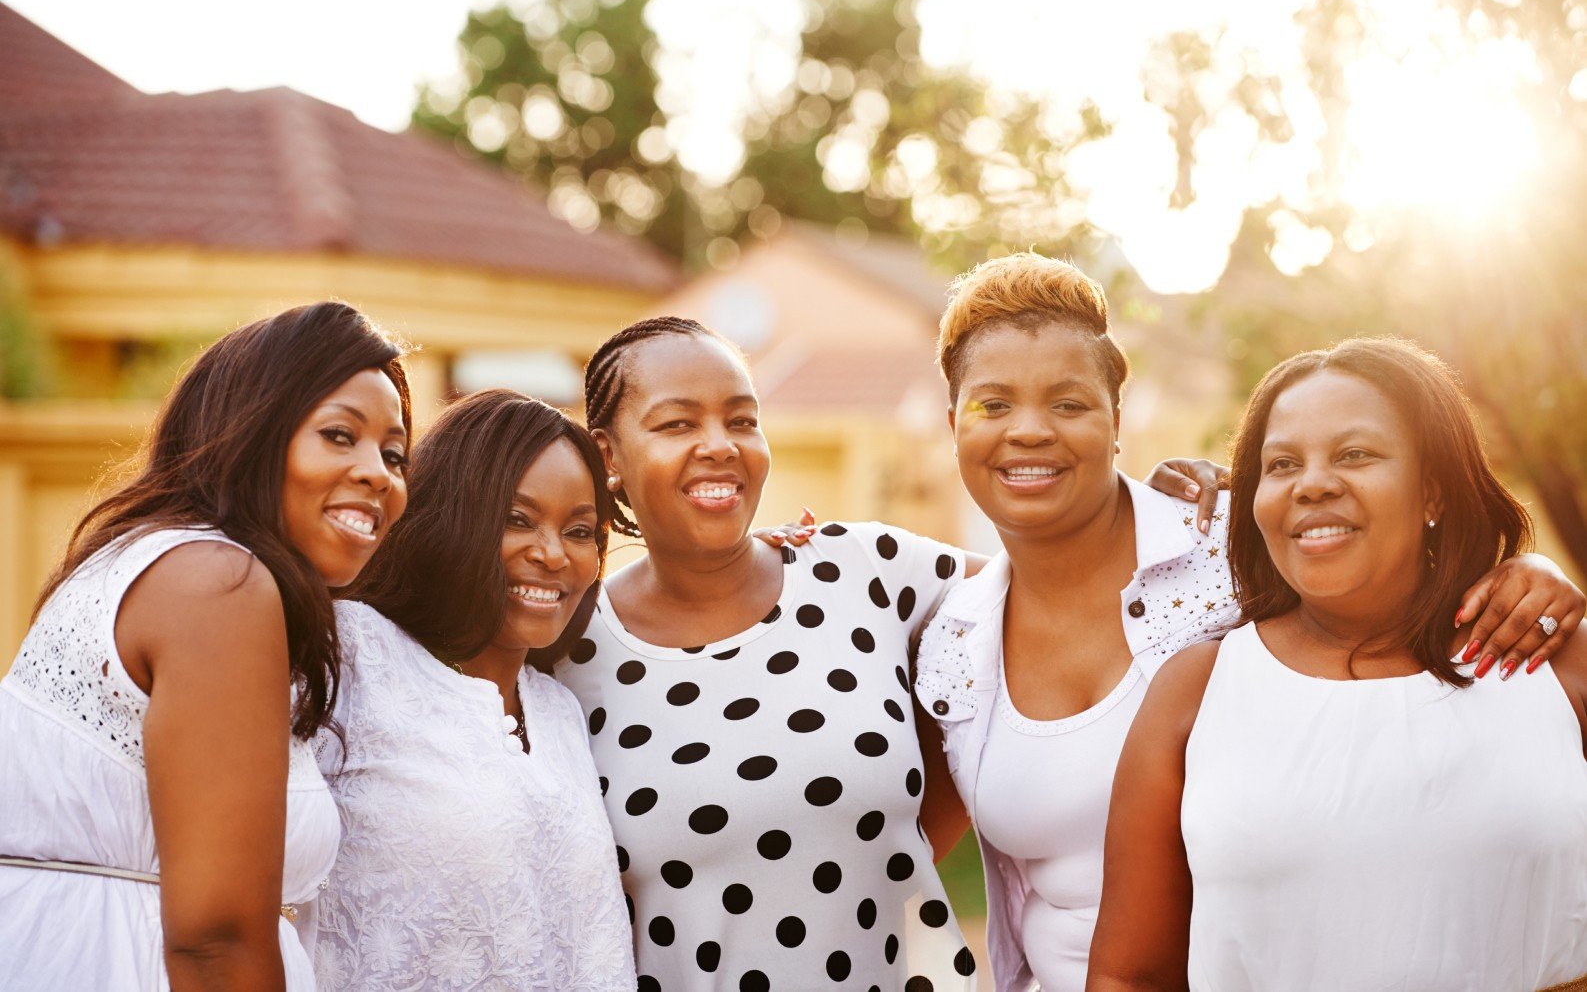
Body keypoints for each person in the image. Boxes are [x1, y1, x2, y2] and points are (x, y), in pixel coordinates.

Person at [913, 255, 1585, 992]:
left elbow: (1376, 571)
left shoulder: (1227, 550)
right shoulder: (954, 641)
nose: (1029, 431)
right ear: (952, 426)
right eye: (992, 406)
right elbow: (890, 839)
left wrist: (1528, 572)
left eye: (1069, 404)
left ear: (1117, 421)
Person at [558, 315, 1228, 991]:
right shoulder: (564, 652)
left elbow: (1063, 572)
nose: (719, 445)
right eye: (677, 424)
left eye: (741, 420)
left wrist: (1147, 507)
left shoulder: (864, 568)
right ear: (607, 455)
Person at [1088, 337, 1587, 992]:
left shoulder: (1557, 664)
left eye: (1355, 454)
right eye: (1282, 464)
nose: (1313, 483)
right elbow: (1129, 977)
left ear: (1433, 492)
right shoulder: (1195, 690)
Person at [0, 301, 411, 990]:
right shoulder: (218, 584)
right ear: (250, 432)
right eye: (339, 435)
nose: (379, 474)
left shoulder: (163, 564)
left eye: (394, 454)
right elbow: (216, 939)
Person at [313, 389, 635, 990]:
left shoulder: (560, 710)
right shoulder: (352, 655)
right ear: (450, 516)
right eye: (517, 520)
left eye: (580, 530)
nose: (553, 554)